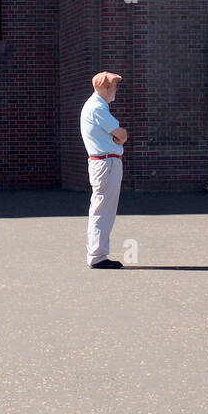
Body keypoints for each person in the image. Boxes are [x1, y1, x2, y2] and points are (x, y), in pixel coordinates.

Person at [81, 71, 127, 268]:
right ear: (105, 88)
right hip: (106, 163)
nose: (116, 89)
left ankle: (97, 254)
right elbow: (121, 135)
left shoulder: (96, 107)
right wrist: (119, 137)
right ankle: (98, 256)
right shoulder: (98, 108)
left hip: (104, 162)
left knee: (102, 209)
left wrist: (117, 137)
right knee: (103, 210)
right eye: (114, 86)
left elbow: (118, 136)